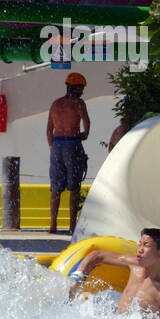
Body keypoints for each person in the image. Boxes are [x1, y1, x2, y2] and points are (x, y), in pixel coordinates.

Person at [68, 228, 160, 319]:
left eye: (146, 245)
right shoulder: (134, 264)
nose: (140, 249)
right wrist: (78, 277)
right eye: (139, 244)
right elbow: (97, 255)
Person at [47, 72, 90, 234]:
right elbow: (86, 122)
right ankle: (72, 226)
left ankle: (53, 225)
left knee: (56, 187)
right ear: (76, 87)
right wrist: (84, 134)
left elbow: (49, 129)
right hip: (72, 143)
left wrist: (53, 146)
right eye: (81, 88)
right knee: (74, 187)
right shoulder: (78, 103)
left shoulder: (55, 104)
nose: (83, 91)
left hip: (57, 145)